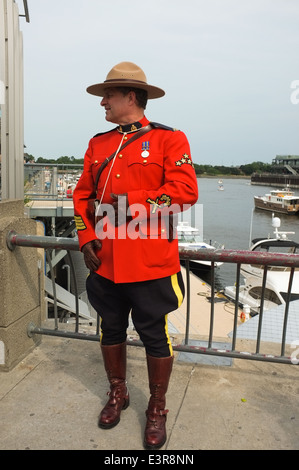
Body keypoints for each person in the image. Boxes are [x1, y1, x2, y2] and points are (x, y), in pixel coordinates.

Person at [73, 61, 198, 450]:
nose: (102, 104)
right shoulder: (99, 144)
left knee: (155, 338)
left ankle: (156, 408)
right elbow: (81, 196)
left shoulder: (169, 140)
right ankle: (118, 393)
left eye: (107, 96)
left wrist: (129, 202)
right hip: (105, 262)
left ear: (131, 97)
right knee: (109, 329)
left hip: (150, 262)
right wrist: (85, 238)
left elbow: (184, 192)